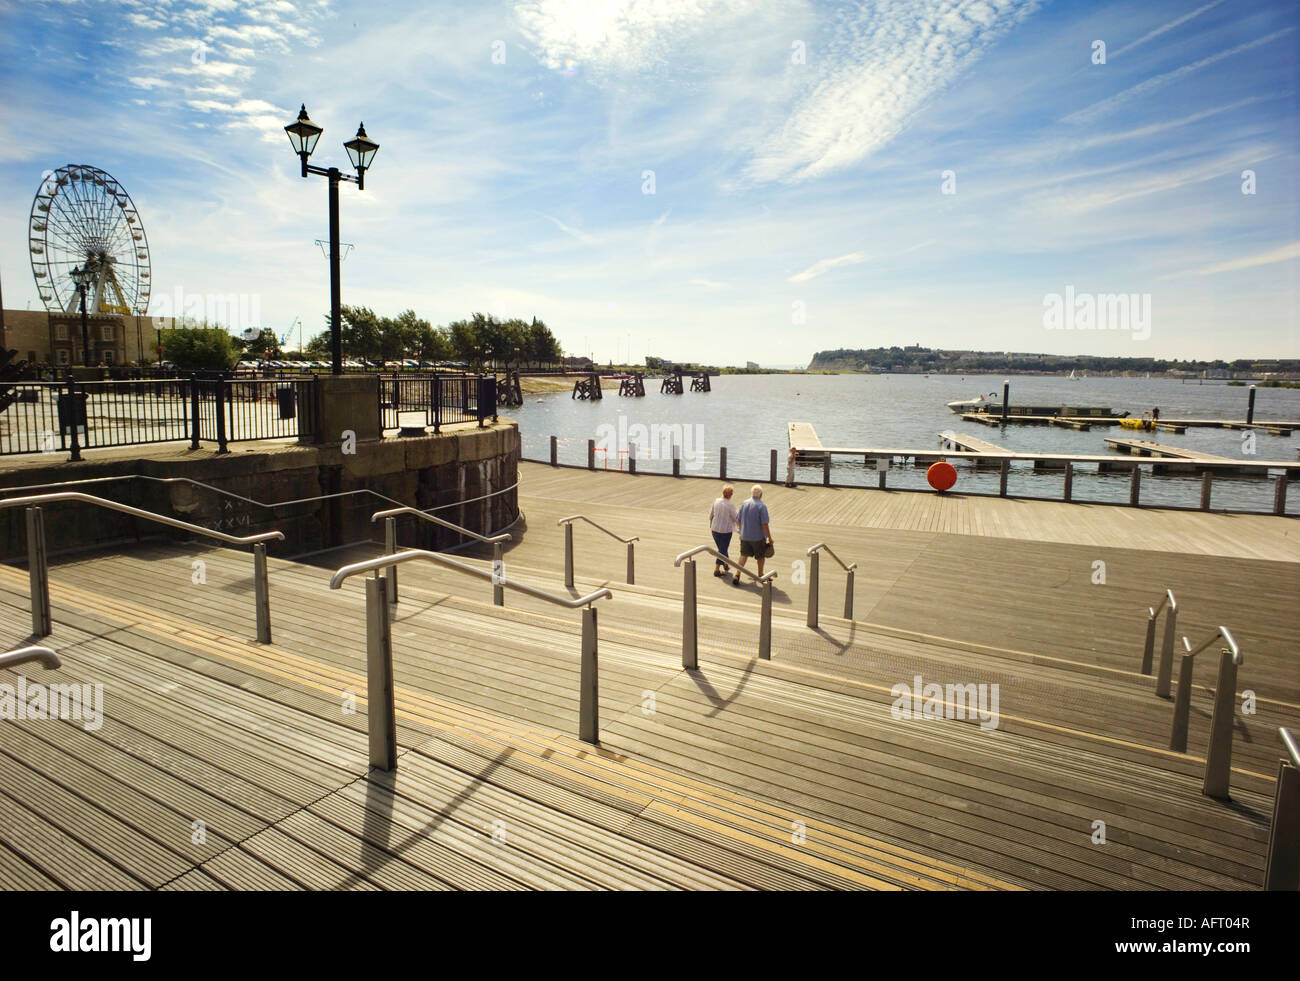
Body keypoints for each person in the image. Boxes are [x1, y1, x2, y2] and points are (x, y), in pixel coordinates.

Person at [733, 485, 773, 585]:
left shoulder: (744, 503)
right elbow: (764, 524)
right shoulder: (761, 506)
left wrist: (741, 531)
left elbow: (737, 520)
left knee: (743, 555)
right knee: (760, 556)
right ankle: (760, 575)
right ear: (761, 495)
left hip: (745, 535)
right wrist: (769, 537)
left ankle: (737, 574)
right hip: (758, 537)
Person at [707, 484, 739, 577]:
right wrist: (740, 529)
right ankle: (716, 569)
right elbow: (735, 518)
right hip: (726, 531)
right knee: (722, 549)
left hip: (715, 529)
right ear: (731, 495)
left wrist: (711, 524)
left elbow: (711, 515)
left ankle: (725, 564)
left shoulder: (716, 501)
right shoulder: (730, 505)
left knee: (722, 548)